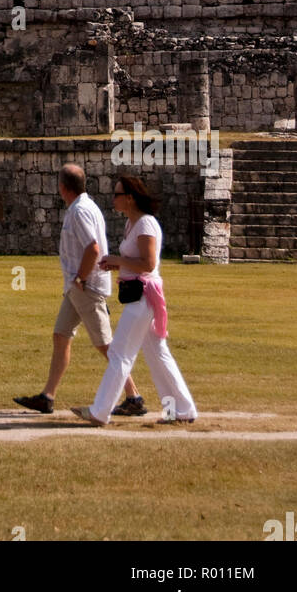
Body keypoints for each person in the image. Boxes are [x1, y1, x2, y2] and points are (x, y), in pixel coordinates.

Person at [14, 163, 144, 416]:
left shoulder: (79, 211)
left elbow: (93, 248)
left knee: (106, 345)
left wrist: (81, 278)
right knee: (61, 335)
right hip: (78, 288)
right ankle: (47, 396)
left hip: (87, 287)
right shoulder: (85, 207)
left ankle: (134, 396)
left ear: (63, 188)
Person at [71, 174, 198, 427]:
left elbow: (149, 264)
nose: (113, 199)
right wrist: (118, 265)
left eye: (117, 195)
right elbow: (137, 263)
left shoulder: (145, 224)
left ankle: (100, 411)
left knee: (120, 352)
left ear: (129, 198)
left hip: (144, 297)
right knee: (157, 355)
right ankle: (182, 409)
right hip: (138, 295)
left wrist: (118, 261)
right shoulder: (132, 225)